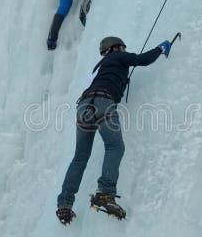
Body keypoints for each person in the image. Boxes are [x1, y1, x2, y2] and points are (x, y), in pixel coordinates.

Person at [56, 36, 172, 224]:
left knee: (79, 158)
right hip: (103, 103)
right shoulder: (118, 56)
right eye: (123, 48)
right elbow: (141, 60)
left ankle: (64, 204)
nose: (124, 51)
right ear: (116, 48)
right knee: (115, 147)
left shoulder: (99, 67)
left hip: (83, 107)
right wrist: (160, 48)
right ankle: (106, 193)